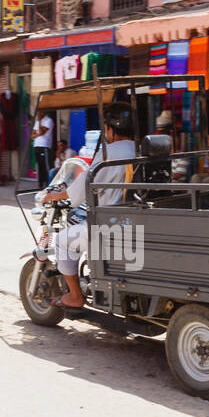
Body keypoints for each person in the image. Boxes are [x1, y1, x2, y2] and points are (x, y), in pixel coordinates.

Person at [40, 102, 136, 309]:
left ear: (110, 129)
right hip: (133, 219)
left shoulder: (108, 153)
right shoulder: (139, 149)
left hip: (109, 224)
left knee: (63, 241)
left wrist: (57, 195)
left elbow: (82, 187)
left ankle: (75, 296)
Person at [33, 109, 55, 187]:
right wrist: (39, 133)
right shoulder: (36, 122)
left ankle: (48, 182)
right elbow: (33, 135)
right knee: (39, 165)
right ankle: (40, 183)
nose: (38, 114)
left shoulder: (48, 121)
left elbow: (42, 132)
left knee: (45, 165)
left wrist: (39, 122)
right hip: (36, 146)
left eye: (39, 112)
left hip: (44, 145)